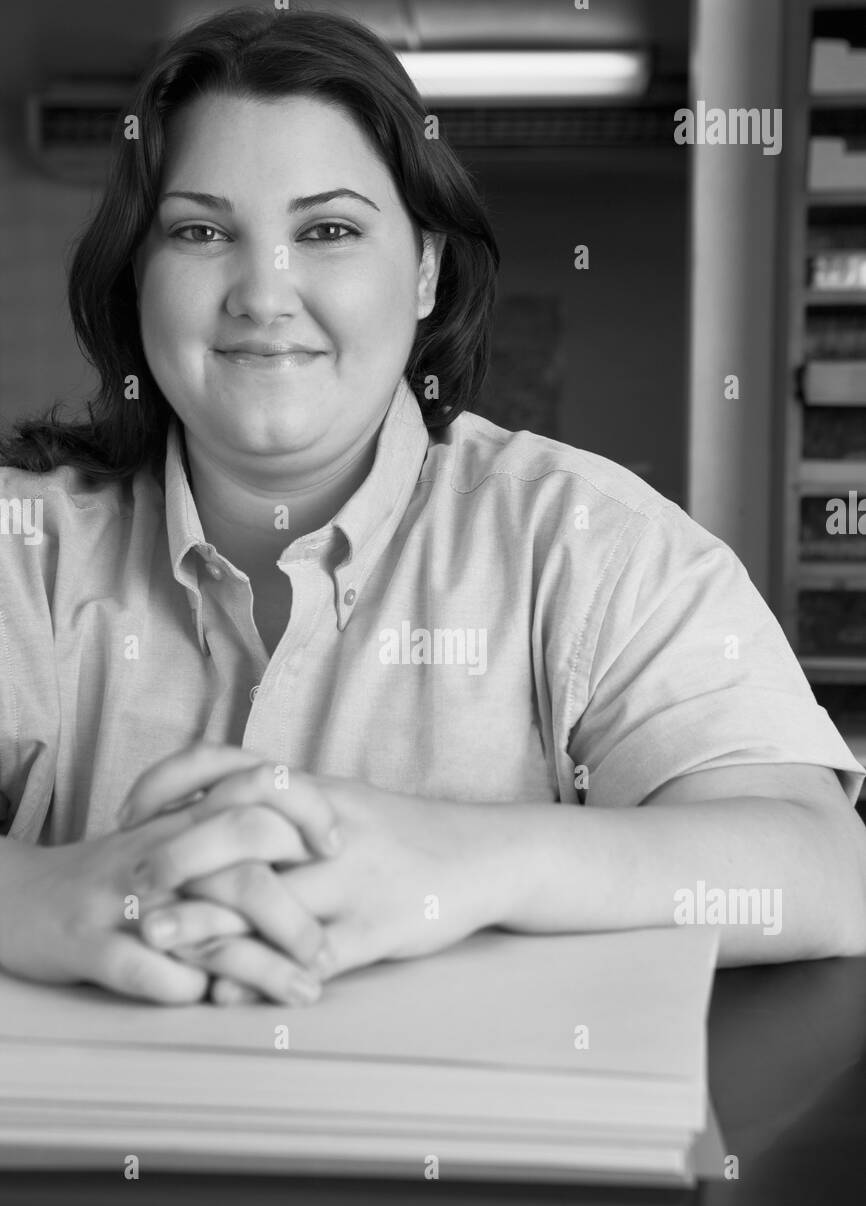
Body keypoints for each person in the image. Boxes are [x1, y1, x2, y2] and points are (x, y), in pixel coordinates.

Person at [0, 7, 864, 1008]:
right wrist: (34, 891)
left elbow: (820, 868)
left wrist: (464, 857)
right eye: (200, 231)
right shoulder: (27, 548)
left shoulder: (589, 542)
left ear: (422, 272)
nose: (263, 293)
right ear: (136, 278)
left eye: (327, 230)